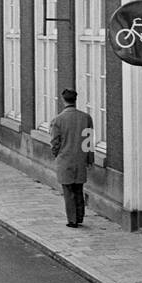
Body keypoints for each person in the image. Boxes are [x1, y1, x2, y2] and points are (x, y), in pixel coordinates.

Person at [50, 88, 94, 228]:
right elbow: (88, 141)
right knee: (79, 189)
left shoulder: (58, 120)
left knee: (68, 191)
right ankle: (80, 216)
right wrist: (89, 158)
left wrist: (56, 154)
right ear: (75, 100)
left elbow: (55, 142)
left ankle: (72, 220)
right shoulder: (86, 118)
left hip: (65, 159)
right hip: (80, 159)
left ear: (63, 100)